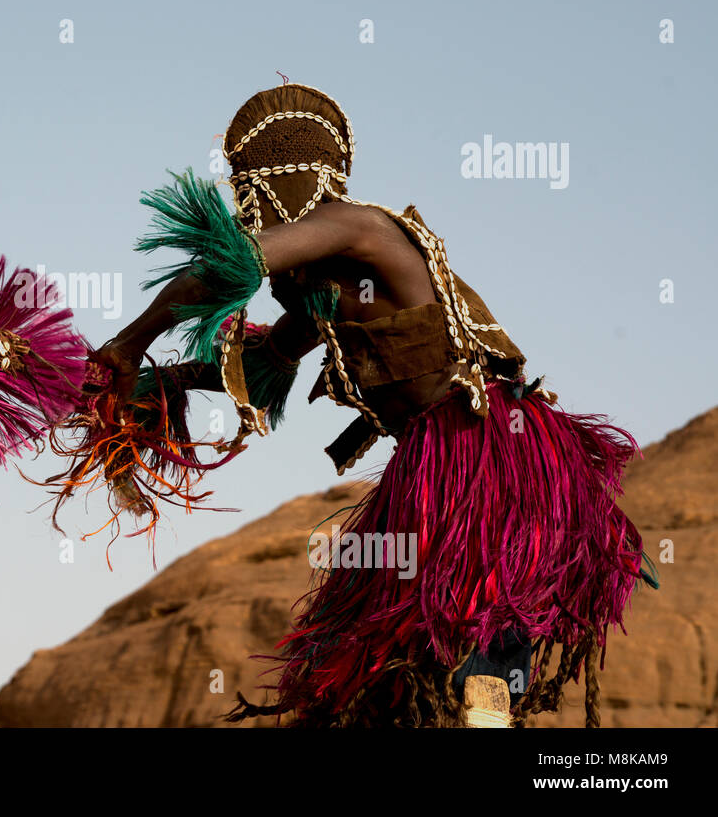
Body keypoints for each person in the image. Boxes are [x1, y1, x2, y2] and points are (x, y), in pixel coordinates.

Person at [91, 81, 654, 726]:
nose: (249, 215)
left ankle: (490, 706)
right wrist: (161, 383)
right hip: (433, 465)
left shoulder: (360, 228)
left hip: (494, 448)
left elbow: (225, 268)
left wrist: (128, 343)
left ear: (282, 185)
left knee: (485, 623)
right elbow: (261, 365)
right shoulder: (327, 288)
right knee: (356, 656)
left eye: (250, 198)